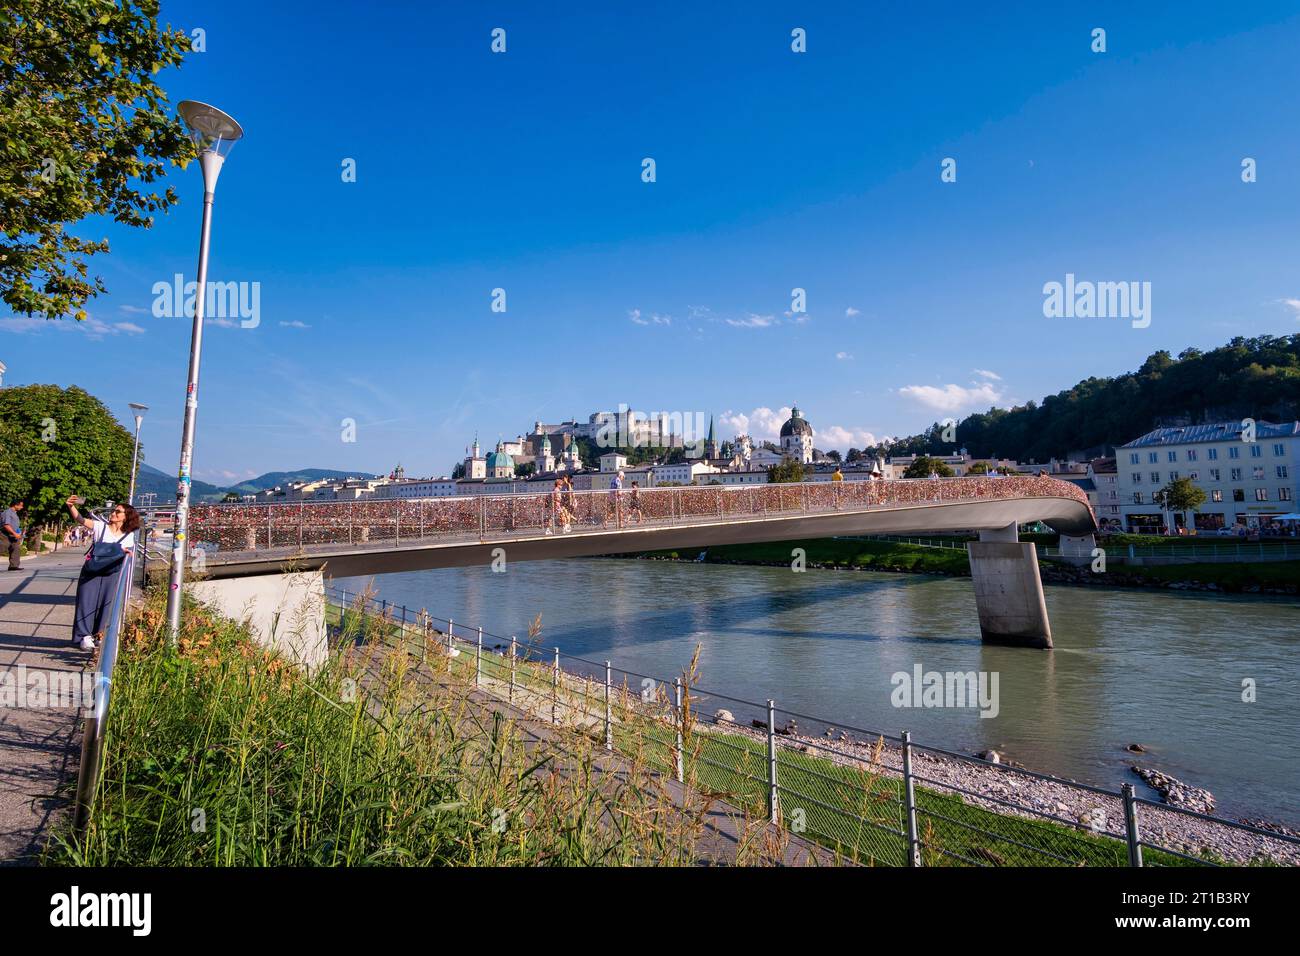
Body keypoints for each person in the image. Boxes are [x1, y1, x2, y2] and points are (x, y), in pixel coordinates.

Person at [66, 497, 140, 651]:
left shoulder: (129, 535)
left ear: (126, 517)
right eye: (114, 510)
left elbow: (128, 554)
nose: (113, 513)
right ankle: (84, 636)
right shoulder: (101, 527)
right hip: (92, 570)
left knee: (107, 604)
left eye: (118, 511)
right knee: (86, 602)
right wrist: (70, 506)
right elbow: (80, 520)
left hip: (112, 573)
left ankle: (99, 635)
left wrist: (124, 552)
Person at [2, 499, 24, 571]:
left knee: (16, 548)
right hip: (5, 534)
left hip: (13, 535)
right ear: (15, 505)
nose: (22, 507)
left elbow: (14, 525)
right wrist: (14, 533)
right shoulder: (7, 513)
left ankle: (13, 566)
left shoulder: (14, 513)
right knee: (2, 548)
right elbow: (6, 525)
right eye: (21, 505)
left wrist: (18, 532)